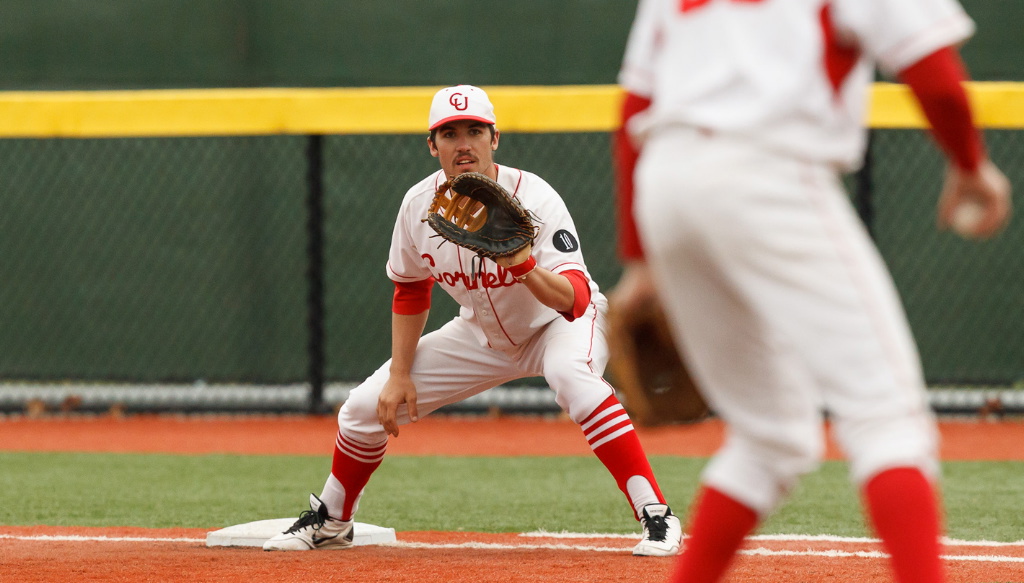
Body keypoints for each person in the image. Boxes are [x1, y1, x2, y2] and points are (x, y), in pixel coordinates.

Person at [611, 1, 1012, 582]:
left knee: (769, 437)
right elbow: (934, 73)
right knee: (888, 418)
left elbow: (633, 110)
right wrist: (971, 165)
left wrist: (640, 261)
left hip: (665, 183)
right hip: (770, 172)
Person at [263, 84, 683, 556]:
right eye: (449, 133)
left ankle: (657, 516)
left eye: (474, 131)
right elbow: (410, 288)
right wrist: (400, 374)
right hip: (482, 334)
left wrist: (522, 264)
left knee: (572, 376)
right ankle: (334, 521)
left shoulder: (536, 197)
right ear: (432, 145)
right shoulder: (419, 207)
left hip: (557, 326)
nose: (463, 143)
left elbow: (576, 300)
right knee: (362, 410)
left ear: (494, 138)